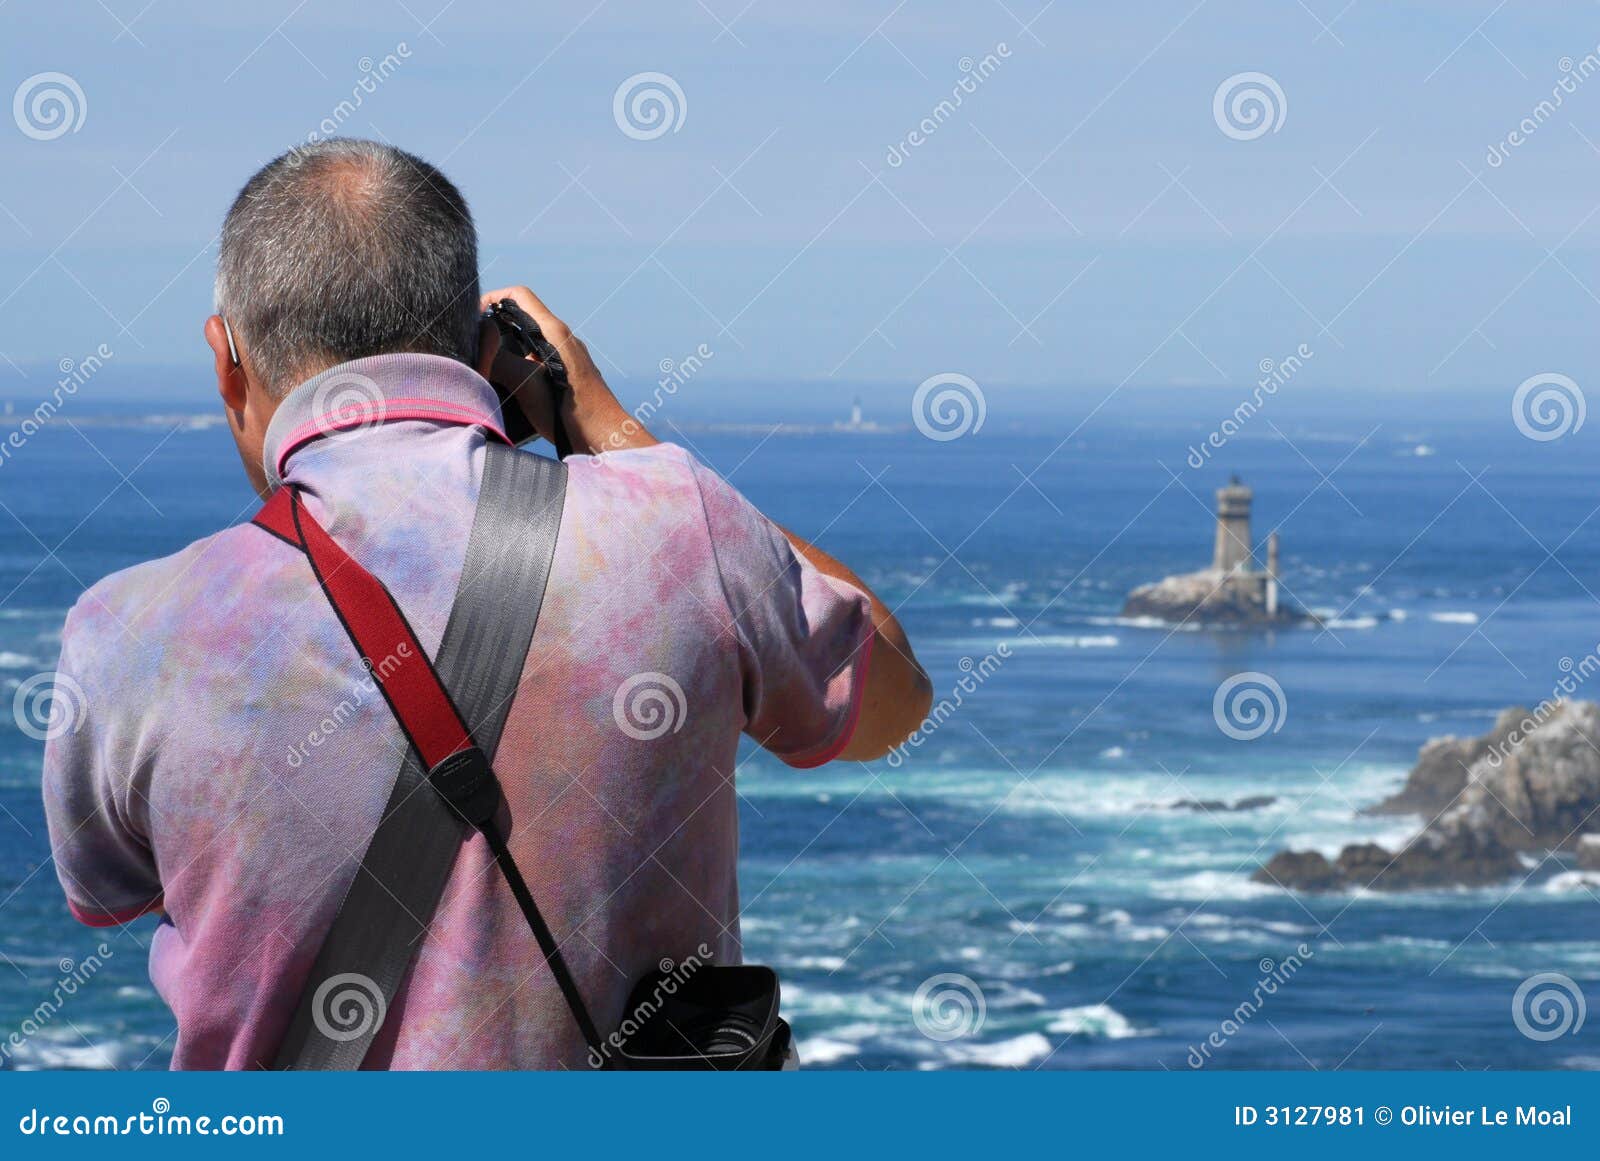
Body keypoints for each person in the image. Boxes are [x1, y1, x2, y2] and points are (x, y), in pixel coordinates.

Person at [39, 138, 932, 1069]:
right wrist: (605, 424)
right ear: (488, 345)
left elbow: (116, 886)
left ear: (227, 362)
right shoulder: (677, 528)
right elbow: (893, 700)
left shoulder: (124, 632)